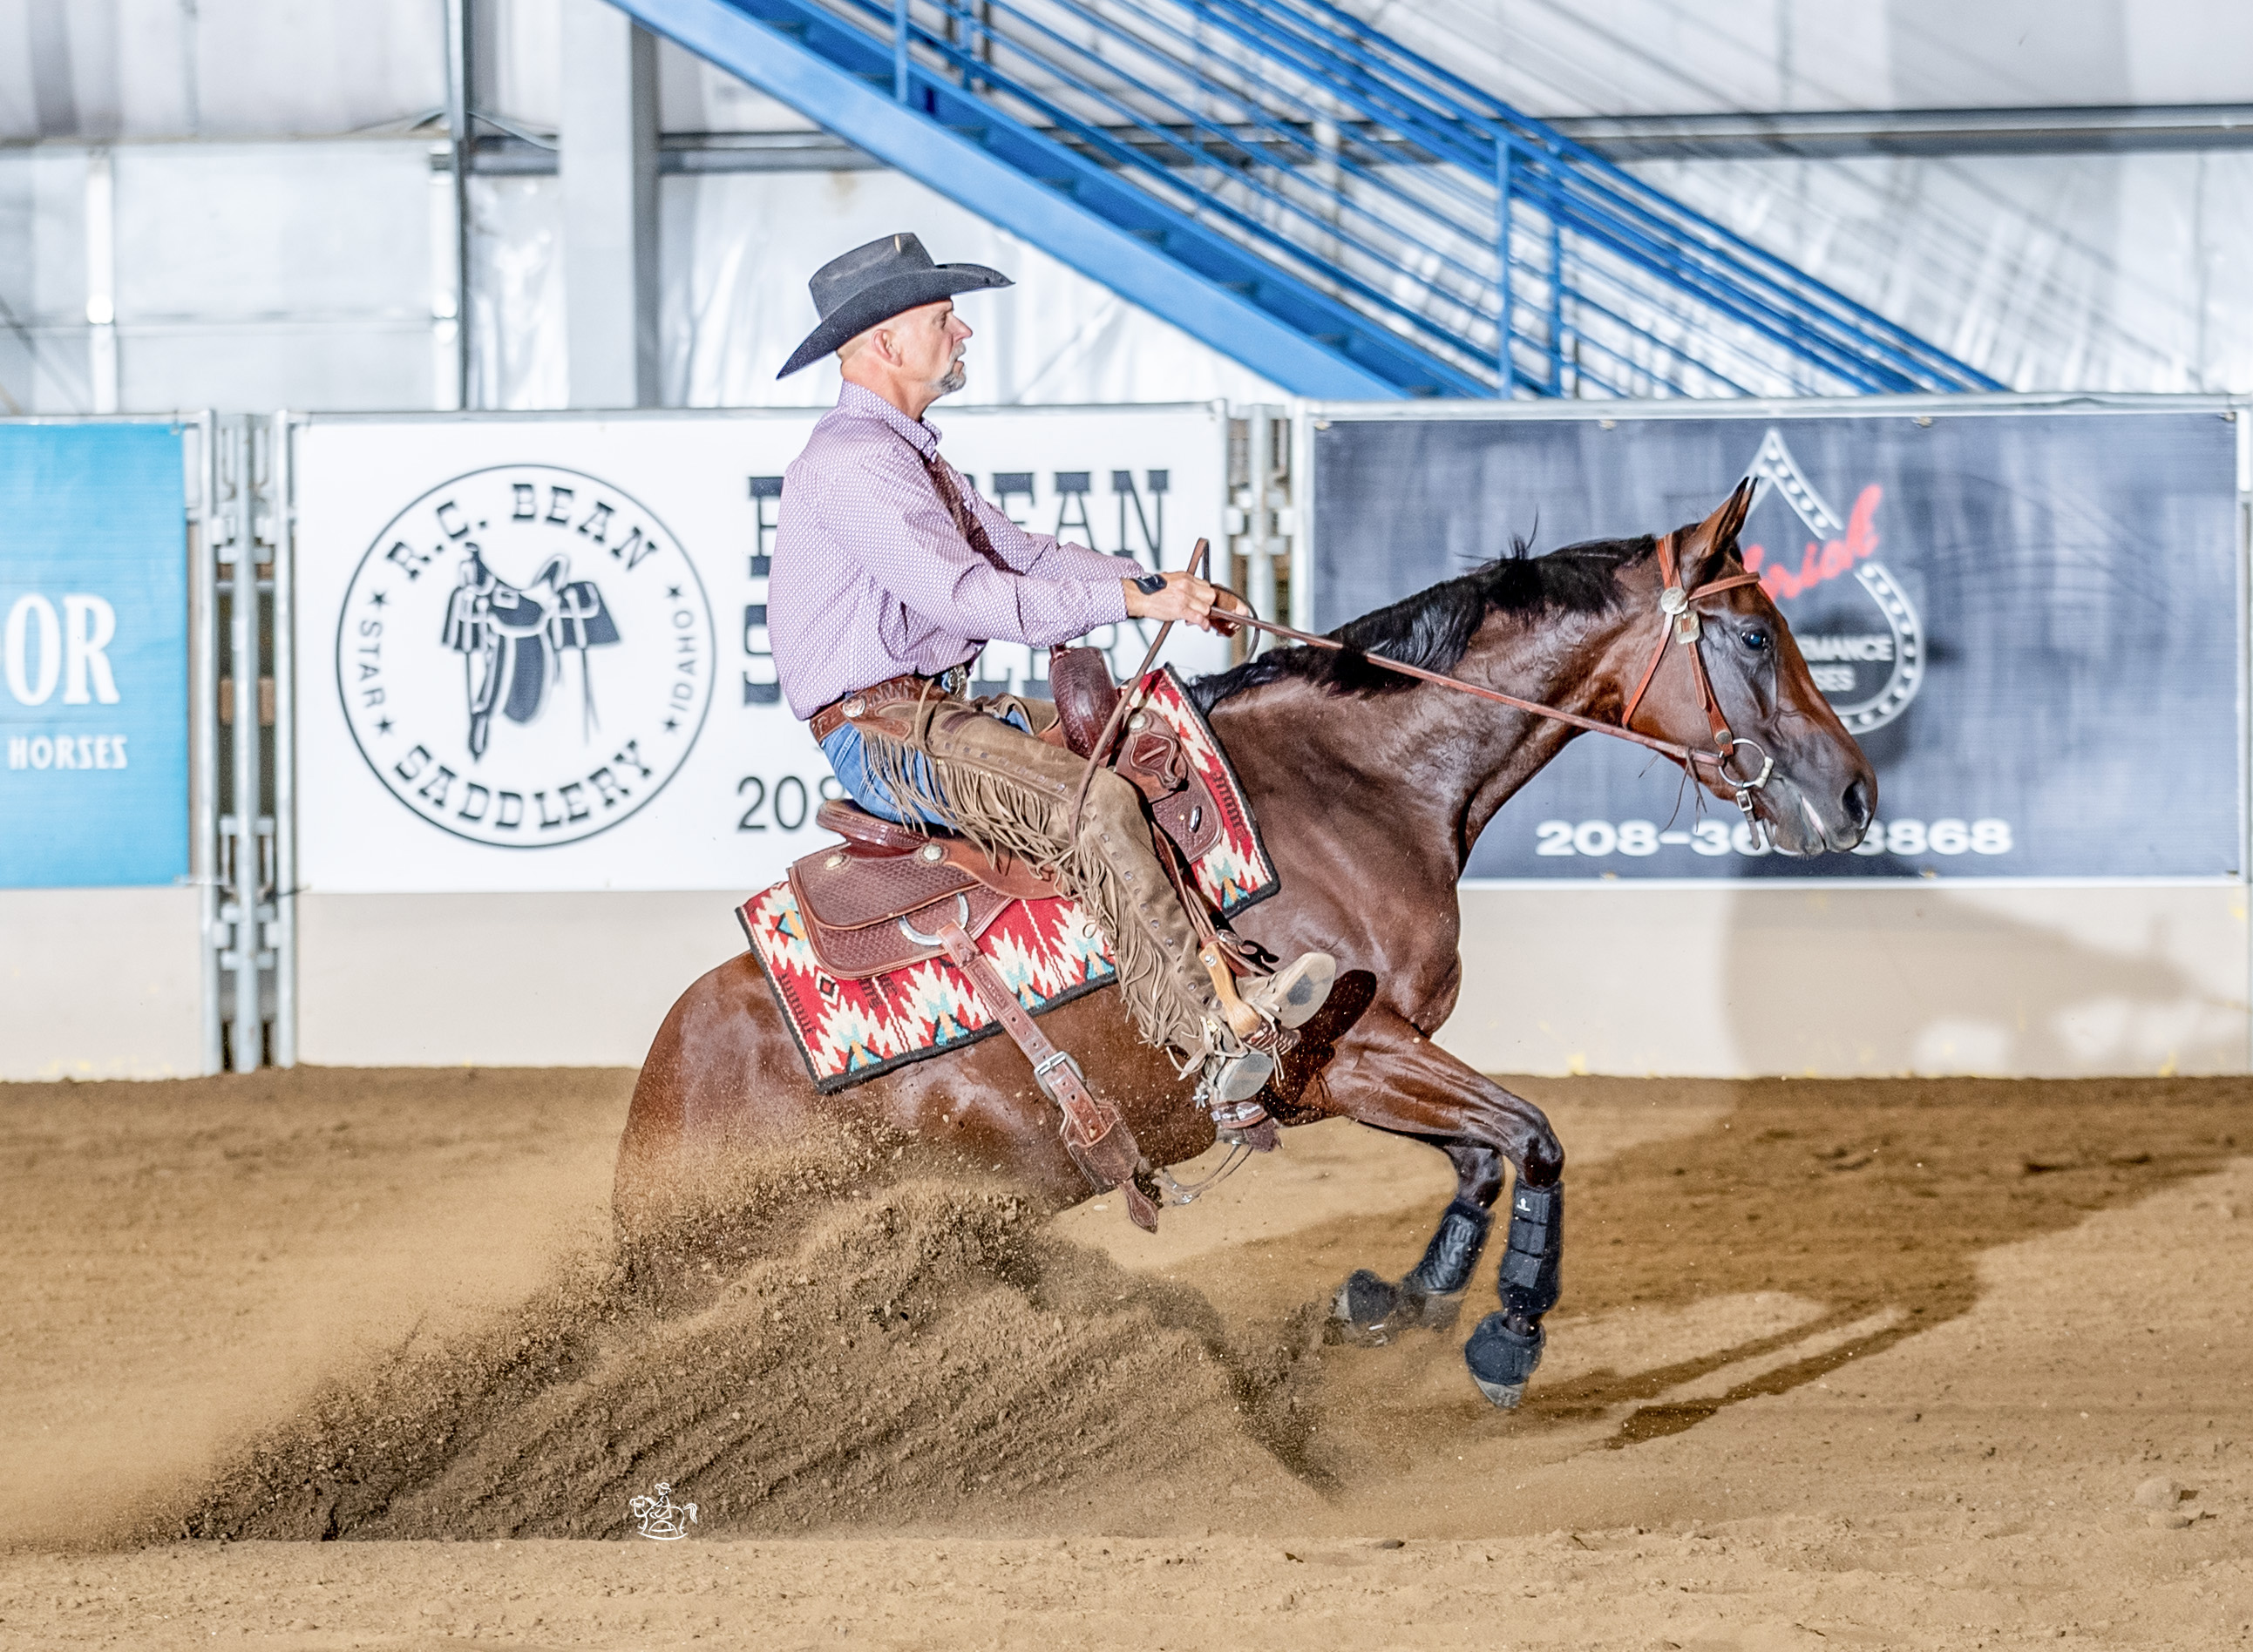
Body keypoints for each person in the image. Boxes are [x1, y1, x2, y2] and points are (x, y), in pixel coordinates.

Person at [766, 232, 1333, 1129]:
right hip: (884, 735)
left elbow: (1020, 552)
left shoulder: (900, 453)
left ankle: (1215, 967)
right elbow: (969, 593)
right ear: (884, 344)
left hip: (922, 716)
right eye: (941, 318)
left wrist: (1162, 592)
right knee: (1096, 805)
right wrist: (1132, 603)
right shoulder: (853, 465)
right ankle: (1211, 1035)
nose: (961, 334)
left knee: (1152, 741)